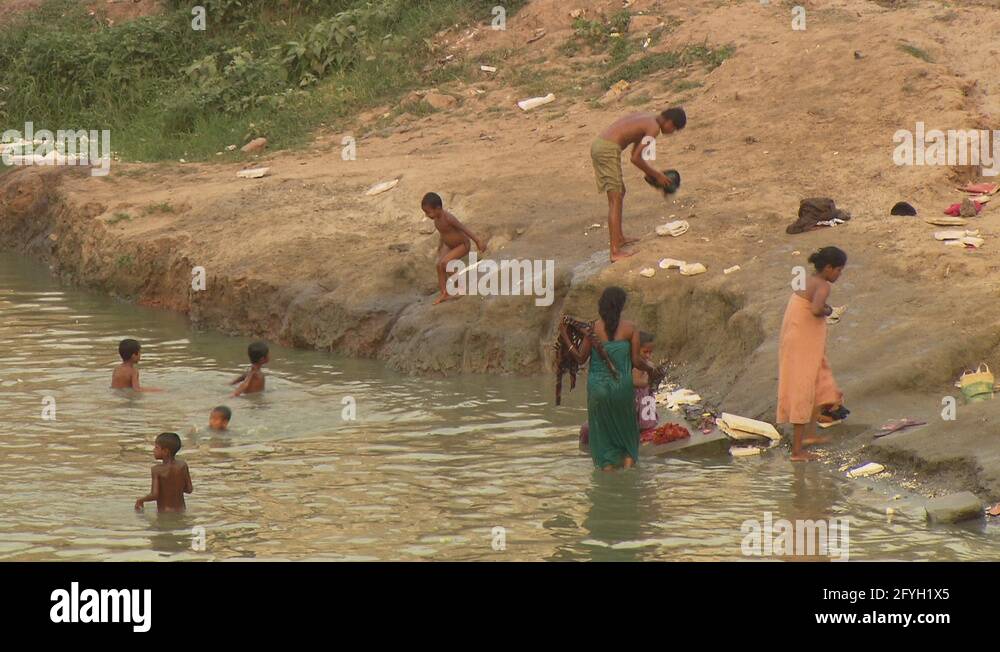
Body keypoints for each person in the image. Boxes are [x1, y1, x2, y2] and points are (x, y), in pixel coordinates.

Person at [560, 287, 660, 470]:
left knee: (602, 433)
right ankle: (629, 469)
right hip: (622, 387)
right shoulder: (630, 329)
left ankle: (607, 469)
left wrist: (565, 337)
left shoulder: (593, 329)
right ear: (621, 307)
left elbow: (580, 358)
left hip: (598, 388)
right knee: (627, 428)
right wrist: (652, 370)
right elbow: (637, 361)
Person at [777, 246, 847, 461]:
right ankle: (797, 451)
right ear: (828, 268)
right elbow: (816, 310)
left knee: (818, 380)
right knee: (804, 388)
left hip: (794, 335)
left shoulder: (808, 280)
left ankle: (809, 435)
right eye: (838, 270)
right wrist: (828, 310)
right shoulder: (824, 286)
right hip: (802, 341)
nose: (839, 275)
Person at [591, 107, 686, 262]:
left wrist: (652, 175)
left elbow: (636, 154)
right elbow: (635, 158)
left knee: (620, 193)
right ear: (669, 122)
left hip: (604, 146)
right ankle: (614, 252)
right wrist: (657, 175)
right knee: (615, 199)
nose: (672, 132)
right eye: (674, 129)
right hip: (606, 150)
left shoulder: (648, 119)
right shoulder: (654, 128)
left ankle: (620, 238)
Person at [421, 192, 488, 305]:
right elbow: (443, 234)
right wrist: (440, 247)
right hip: (449, 245)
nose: (427, 215)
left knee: (447, 263)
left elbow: (464, 229)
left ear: (438, 208)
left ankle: (461, 287)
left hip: (462, 245)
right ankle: (444, 293)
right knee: (439, 265)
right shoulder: (437, 220)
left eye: (428, 212)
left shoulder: (448, 218)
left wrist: (477, 241)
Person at [134, 432, 193, 513]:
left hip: (165, 514)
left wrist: (141, 500)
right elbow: (189, 489)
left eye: (156, 447)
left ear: (165, 451)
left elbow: (154, 495)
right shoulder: (183, 465)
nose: (153, 450)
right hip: (181, 511)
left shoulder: (156, 469)